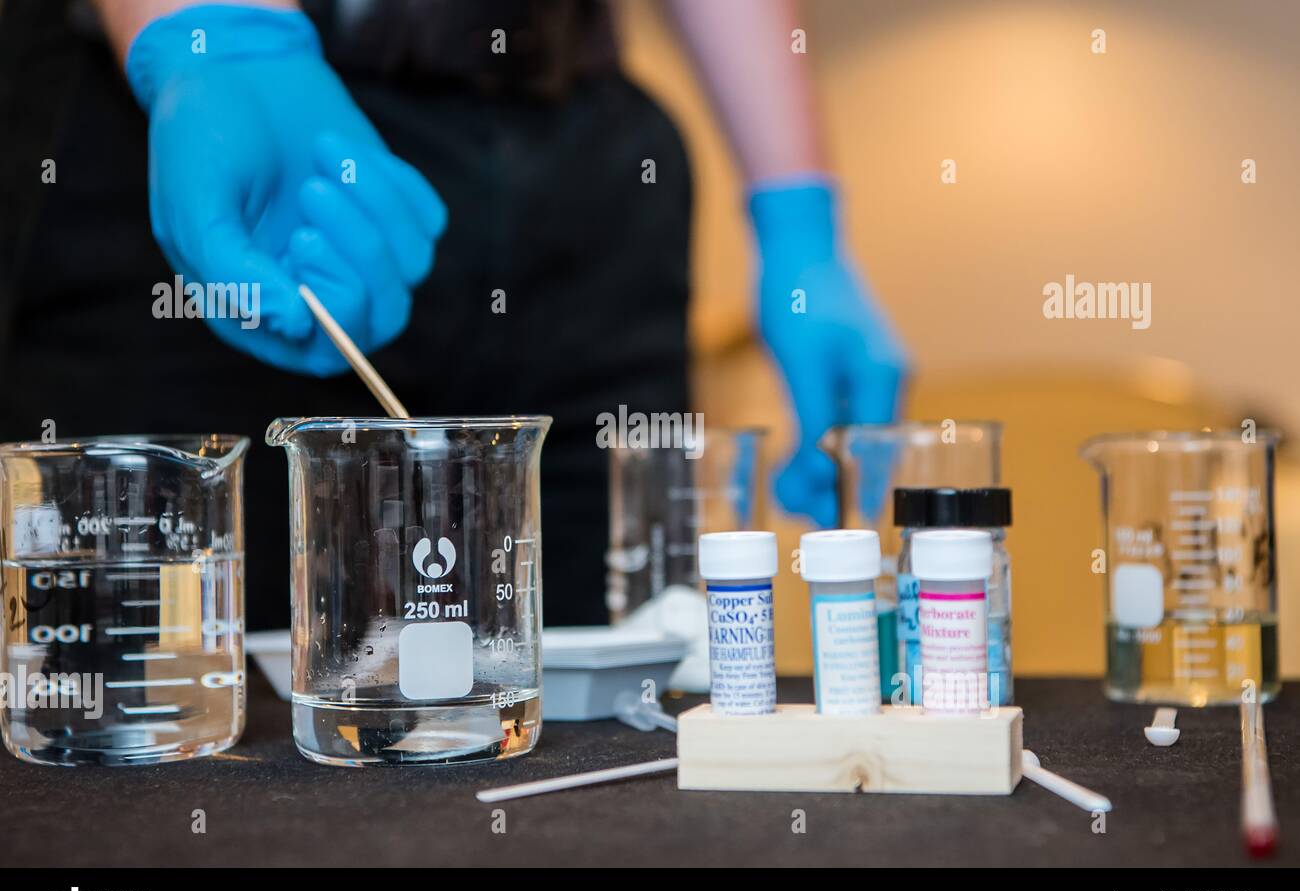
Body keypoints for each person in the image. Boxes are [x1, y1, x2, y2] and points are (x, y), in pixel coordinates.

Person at [0, 0, 907, 629]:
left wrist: (799, 221)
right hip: (250, 144)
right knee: (196, 738)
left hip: (584, 167)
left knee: (602, 729)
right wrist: (216, 37)